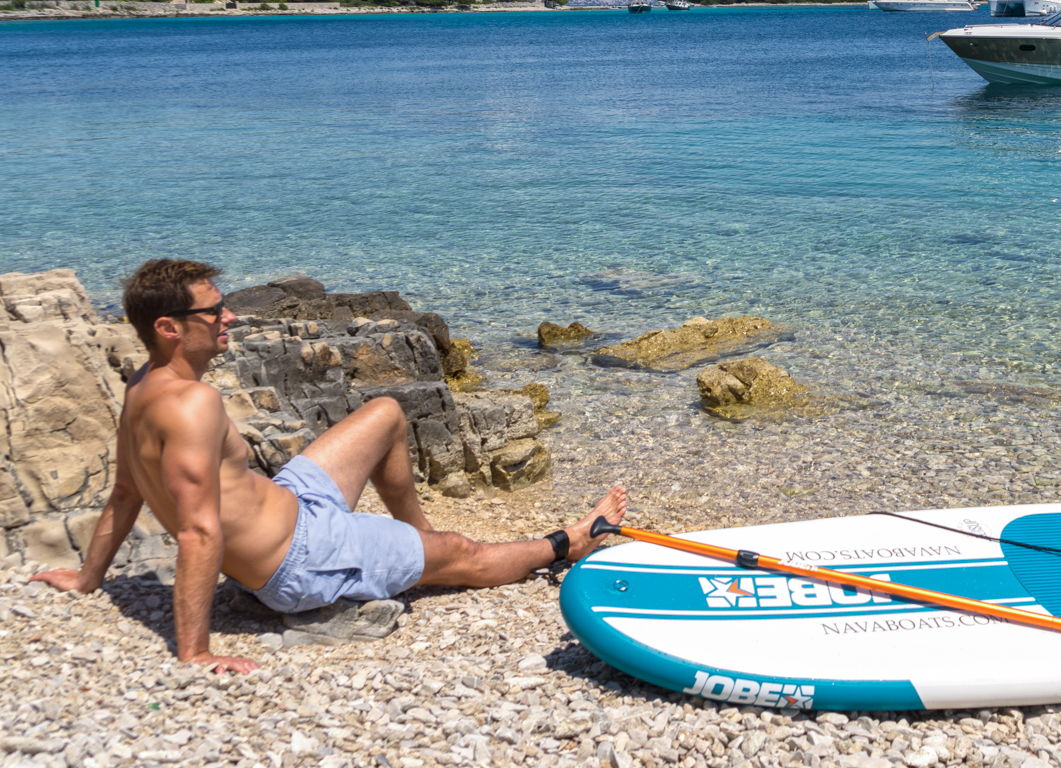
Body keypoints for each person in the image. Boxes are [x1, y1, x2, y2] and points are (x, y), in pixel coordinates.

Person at [32, 259, 628, 674]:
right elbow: (197, 530)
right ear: (168, 328)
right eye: (214, 312)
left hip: (292, 502)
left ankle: (413, 541)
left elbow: (126, 492)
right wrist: (194, 653)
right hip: (302, 558)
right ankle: (570, 541)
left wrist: (88, 580)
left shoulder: (142, 387)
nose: (230, 318)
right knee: (464, 553)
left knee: (387, 412)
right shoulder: (192, 405)